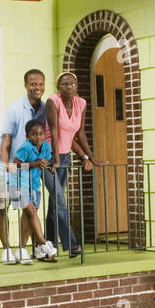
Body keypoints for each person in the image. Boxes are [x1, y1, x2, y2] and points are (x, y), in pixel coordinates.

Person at [0, 69, 48, 264]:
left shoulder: (46, 109)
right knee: (1, 206)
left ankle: (22, 249)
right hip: (2, 162)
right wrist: (6, 166)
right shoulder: (15, 109)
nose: (36, 87)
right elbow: (6, 140)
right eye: (32, 84)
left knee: (29, 207)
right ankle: (6, 250)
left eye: (40, 84)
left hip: (26, 166)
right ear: (25, 86)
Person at [44, 71, 103, 258]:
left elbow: (81, 133)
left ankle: (49, 248)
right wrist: (56, 159)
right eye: (64, 84)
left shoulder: (81, 103)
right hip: (49, 158)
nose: (68, 87)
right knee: (60, 201)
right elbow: (53, 131)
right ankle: (72, 245)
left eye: (72, 84)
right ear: (58, 87)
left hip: (66, 157)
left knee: (55, 204)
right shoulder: (53, 101)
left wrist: (91, 158)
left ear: (76, 86)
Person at [13, 120, 58, 261]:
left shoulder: (45, 146)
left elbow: (48, 160)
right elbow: (15, 164)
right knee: (31, 212)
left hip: (35, 185)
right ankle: (44, 244)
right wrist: (34, 164)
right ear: (27, 136)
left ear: (45, 135)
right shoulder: (25, 147)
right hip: (20, 183)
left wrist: (50, 165)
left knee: (29, 216)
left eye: (40, 134)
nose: (37, 137)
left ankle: (26, 249)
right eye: (33, 134)